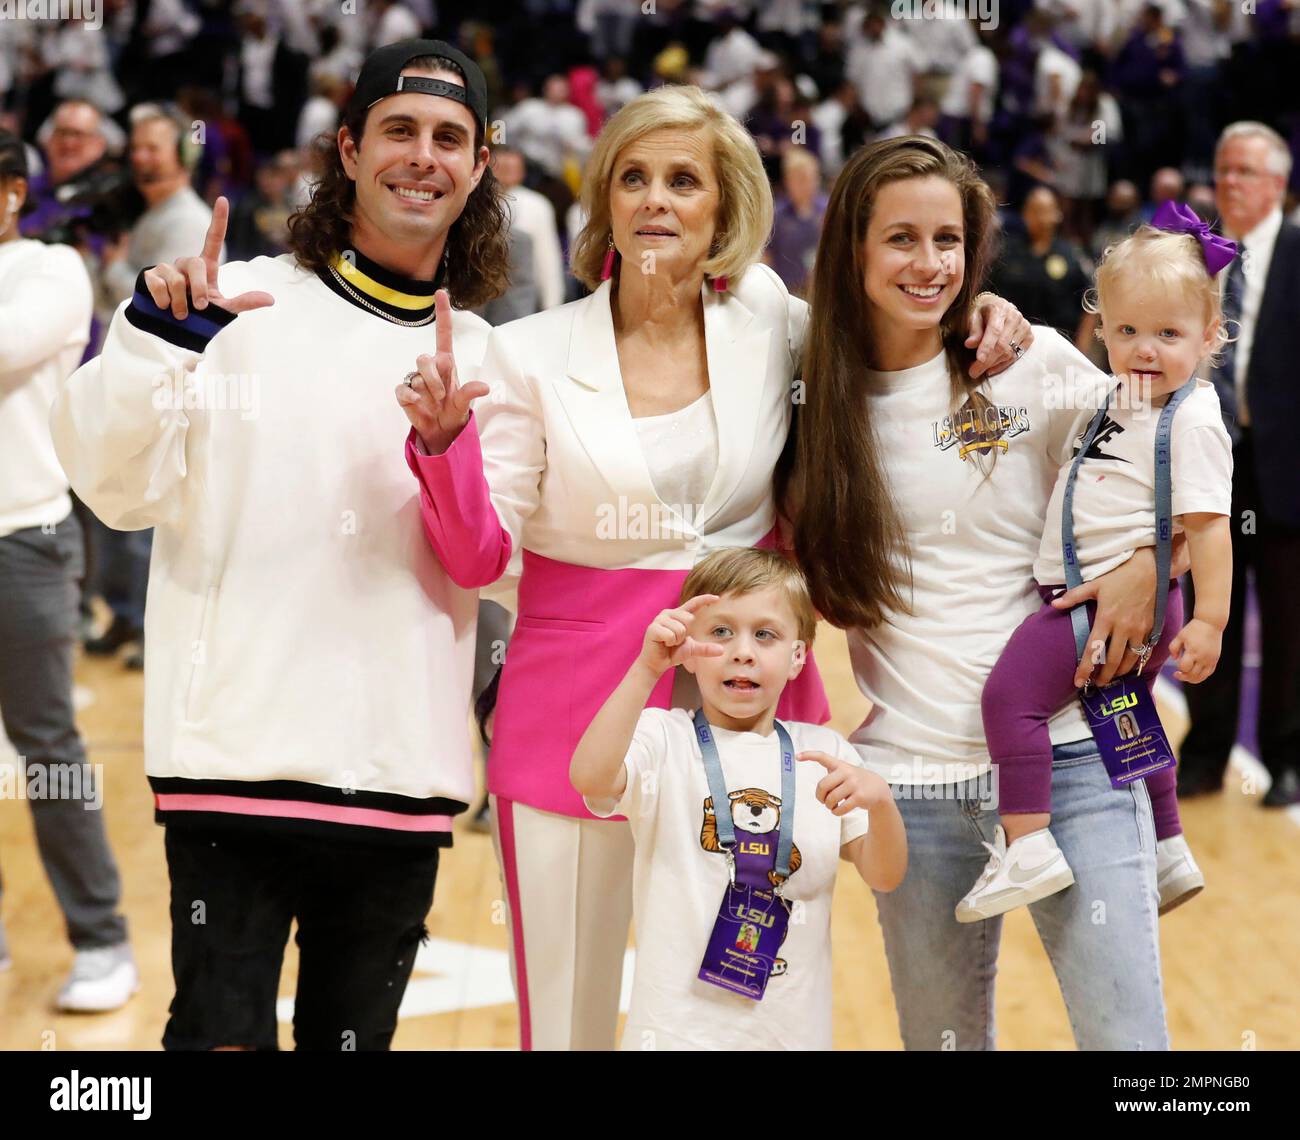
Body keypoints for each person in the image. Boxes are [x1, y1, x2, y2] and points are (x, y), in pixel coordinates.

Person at [396, 90, 1028, 1051]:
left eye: (683, 180)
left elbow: (893, 328)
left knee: (750, 1002)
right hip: (580, 715)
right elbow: (481, 558)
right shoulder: (524, 354)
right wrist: (444, 451)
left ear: (724, 209)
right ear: (603, 201)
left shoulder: (772, 318)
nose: (656, 200)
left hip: (756, 705)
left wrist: (982, 308)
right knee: (568, 1025)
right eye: (633, 178)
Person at [51, 38, 509, 1051]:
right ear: (347, 149)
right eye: (398, 130)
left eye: (449, 138)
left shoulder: (482, 363)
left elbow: (484, 561)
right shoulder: (228, 306)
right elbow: (114, 491)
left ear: (479, 168)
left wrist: (445, 449)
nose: (421, 156)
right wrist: (149, 344)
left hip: (396, 779)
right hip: (228, 765)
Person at [785, 136, 1187, 1050]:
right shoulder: (811, 396)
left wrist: (1147, 559)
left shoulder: (1026, 360)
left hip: (1075, 758)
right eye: (901, 239)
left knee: (1131, 1049)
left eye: (948, 240)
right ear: (852, 247)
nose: (929, 265)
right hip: (910, 788)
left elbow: (1171, 455)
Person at [962, 208, 1236, 923]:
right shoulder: (1121, 396)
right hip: (1105, 597)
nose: (1144, 351)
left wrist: (1209, 621)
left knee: (1009, 703)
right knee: (1124, 712)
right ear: (1103, 327)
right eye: (1127, 332)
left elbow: (1209, 533)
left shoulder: (1194, 419)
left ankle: (1026, 843)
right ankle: (1170, 848)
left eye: (1169, 335)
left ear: (1209, 338)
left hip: (1101, 605)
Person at [570, 547, 906, 1050]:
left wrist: (881, 804)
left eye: (764, 634)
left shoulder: (826, 752)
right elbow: (590, 779)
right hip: (675, 1033)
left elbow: (885, 874)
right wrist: (646, 669)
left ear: (799, 656)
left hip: (790, 1035)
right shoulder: (665, 739)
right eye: (721, 632)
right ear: (688, 648)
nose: (742, 651)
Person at [0, 129, 138, 1010]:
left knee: (48, 748)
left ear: (13, 190)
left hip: (25, 537)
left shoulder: (50, 271)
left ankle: (103, 939)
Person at [1179, 121, 1300, 807]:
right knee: (1207, 608)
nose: (1230, 182)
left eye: (1246, 172)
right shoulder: (1199, 254)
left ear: (1278, 184)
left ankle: (1287, 757)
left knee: (1288, 621)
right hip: (1211, 459)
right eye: (1224, 170)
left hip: (1285, 464)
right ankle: (1205, 753)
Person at [87, 102, 217, 670]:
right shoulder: (150, 214)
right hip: (139, 380)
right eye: (134, 146)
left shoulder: (184, 219)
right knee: (121, 501)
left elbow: (167, 312)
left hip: (172, 388)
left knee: (147, 507)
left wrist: (115, 269)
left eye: (152, 147)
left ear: (183, 154)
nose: (139, 157)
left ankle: (147, 628)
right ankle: (123, 616)